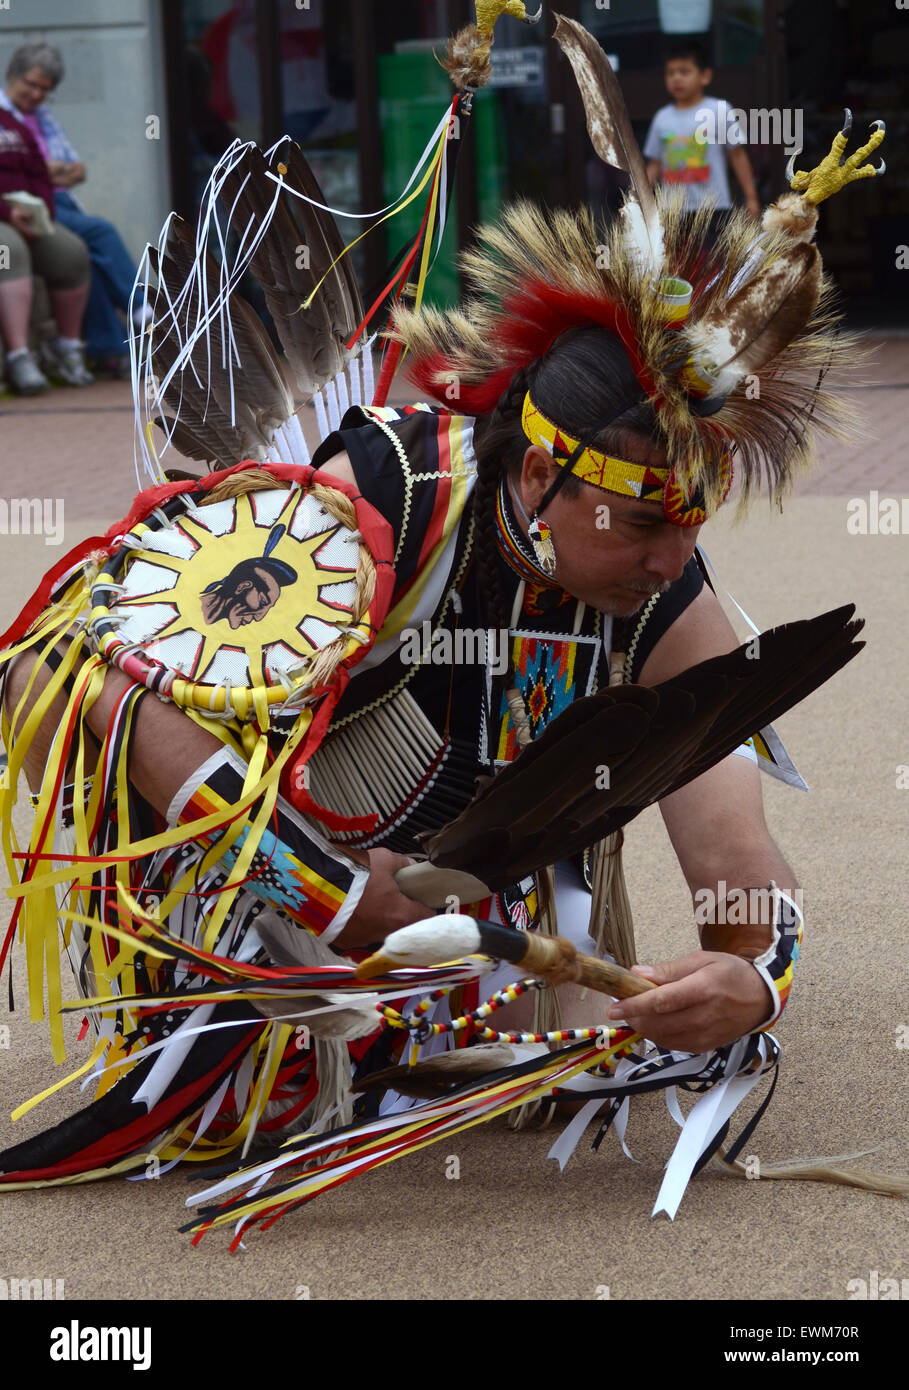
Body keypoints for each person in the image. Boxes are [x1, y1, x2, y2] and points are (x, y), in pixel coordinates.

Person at [0, 5, 895, 1233]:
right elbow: (77, 682)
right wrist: (320, 888)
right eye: (638, 525)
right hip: (276, 892)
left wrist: (757, 975)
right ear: (537, 478)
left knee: (551, 1036)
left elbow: (740, 861)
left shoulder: (665, 597)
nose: (672, 559)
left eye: (691, 526)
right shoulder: (371, 507)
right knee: (252, 1079)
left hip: (483, 916)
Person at [0, 43, 149, 382]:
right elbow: (30, 172)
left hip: (55, 201)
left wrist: (51, 172)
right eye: (32, 84)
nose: (37, 94)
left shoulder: (37, 116)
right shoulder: (6, 117)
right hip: (25, 205)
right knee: (101, 232)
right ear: (12, 75)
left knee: (82, 256)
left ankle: (107, 350)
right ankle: (140, 312)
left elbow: (76, 170)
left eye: (45, 90)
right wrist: (49, 173)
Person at [0, 101, 92, 394]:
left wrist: (43, 212)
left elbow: (39, 171)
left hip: (26, 216)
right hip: (5, 219)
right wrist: (7, 214)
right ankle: (19, 356)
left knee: (71, 253)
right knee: (10, 251)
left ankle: (68, 349)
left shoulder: (10, 123)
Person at [643, 38, 760, 234]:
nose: (676, 78)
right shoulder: (661, 118)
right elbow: (654, 165)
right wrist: (638, 203)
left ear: (705, 76)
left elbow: (737, 156)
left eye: (684, 72)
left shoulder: (719, 110)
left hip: (714, 209)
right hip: (671, 213)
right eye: (670, 73)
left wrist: (751, 197)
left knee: (714, 263)